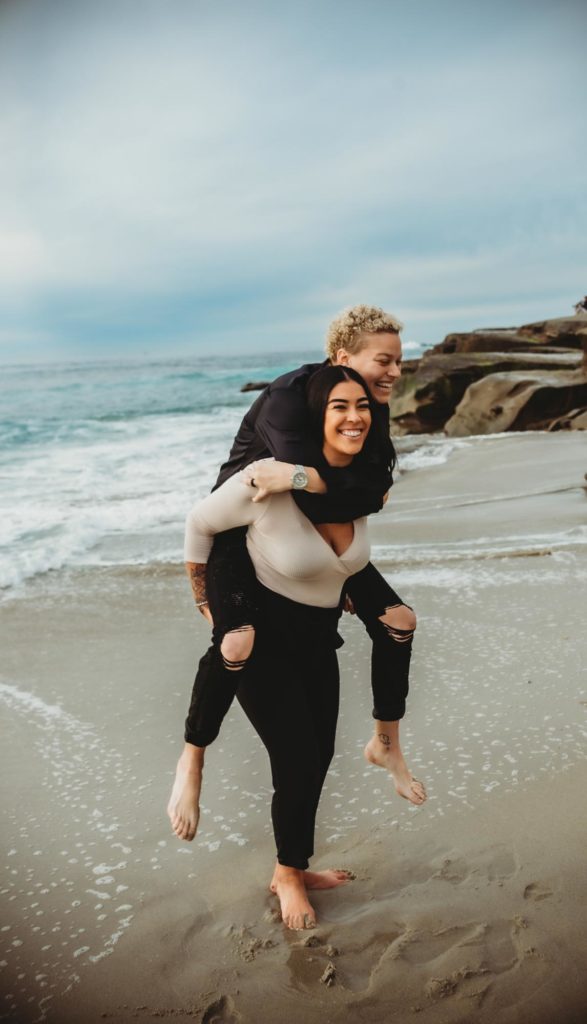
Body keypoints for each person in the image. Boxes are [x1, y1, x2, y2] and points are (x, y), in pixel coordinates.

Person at [168, 305, 426, 849]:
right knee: (236, 640)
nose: (395, 373)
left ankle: (387, 742)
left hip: (315, 546)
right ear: (343, 360)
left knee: (398, 620)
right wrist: (205, 601)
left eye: (399, 362)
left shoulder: (365, 416)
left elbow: (369, 491)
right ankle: (193, 759)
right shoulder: (289, 403)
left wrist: (314, 481)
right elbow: (277, 492)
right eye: (384, 361)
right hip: (242, 530)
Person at [181, 365, 395, 929]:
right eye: (339, 408)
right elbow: (200, 523)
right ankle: (284, 874)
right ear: (314, 418)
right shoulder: (267, 480)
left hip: (318, 641)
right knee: (296, 756)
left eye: (362, 407)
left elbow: (348, 560)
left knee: (316, 758)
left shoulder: (358, 484)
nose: (354, 418)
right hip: (265, 642)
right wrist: (208, 602)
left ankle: (293, 866)